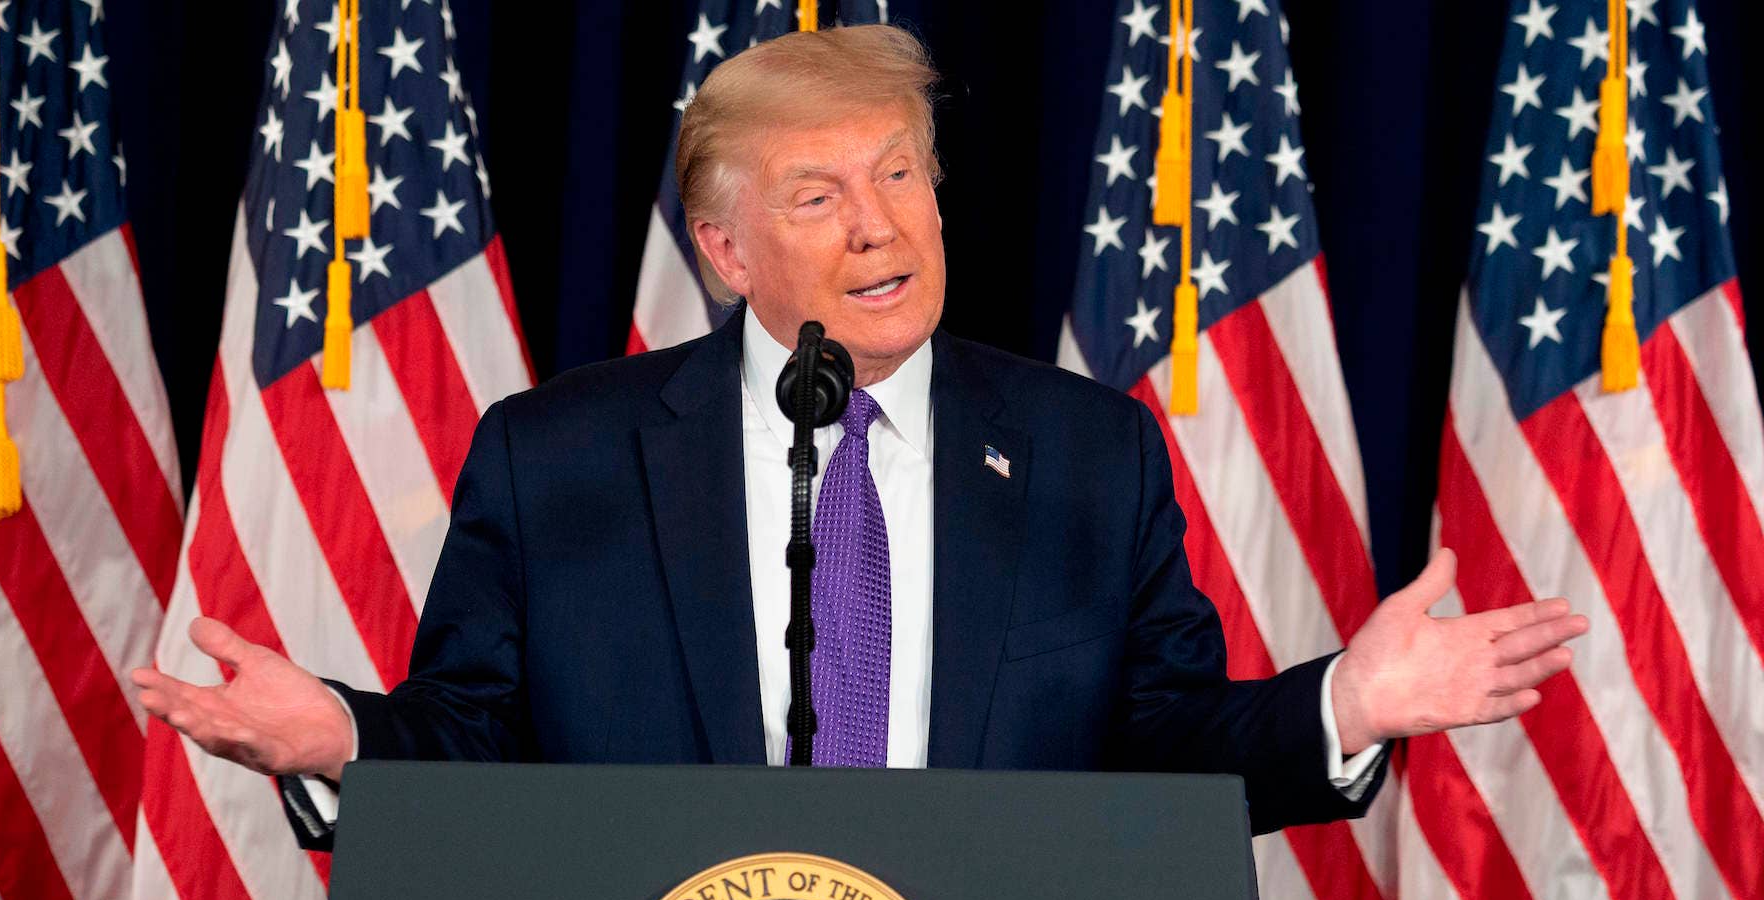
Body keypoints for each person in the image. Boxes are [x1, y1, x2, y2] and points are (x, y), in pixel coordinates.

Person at [132, 25, 1586, 849]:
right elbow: (478, 744)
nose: (881, 222)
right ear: (723, 248)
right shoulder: (560, 458)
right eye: (819, 194)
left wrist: (1346, 706)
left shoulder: (1089, 456)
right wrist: (346, 739)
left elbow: (1165, 752)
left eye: (902, 174)